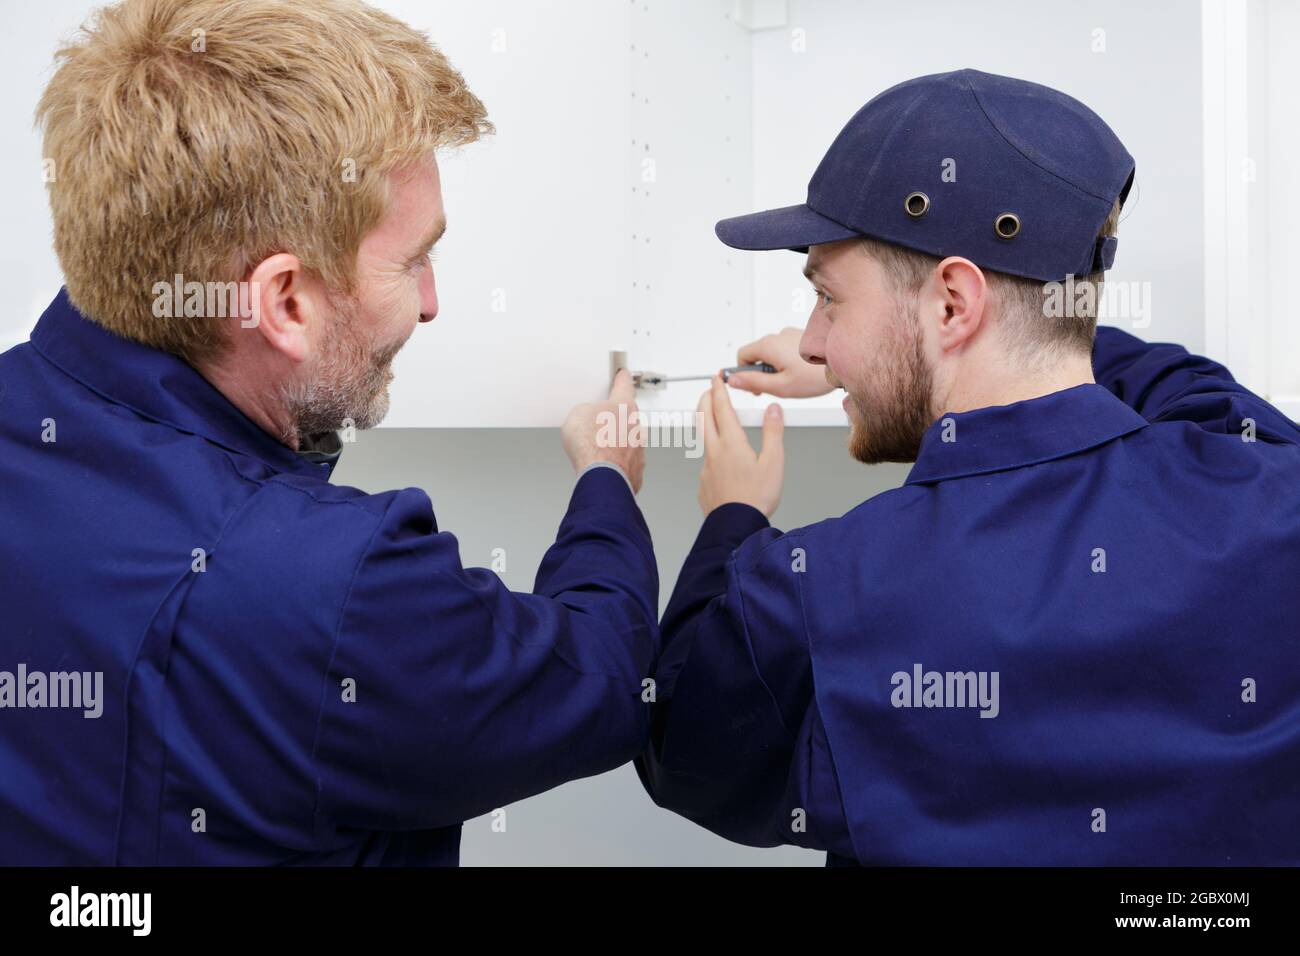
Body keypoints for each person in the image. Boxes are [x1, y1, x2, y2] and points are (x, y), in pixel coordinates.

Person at [0, 0, 654, 865]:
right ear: (284, 303)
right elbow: (600, 682)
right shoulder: (339, 590)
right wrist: (605, 483)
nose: (430, 301)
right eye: (413, 258)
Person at [636, 69, 1300, 865]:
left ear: (954, 303)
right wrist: (914, 349)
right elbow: (1190, 389)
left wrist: (729, 522)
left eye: (829, 299)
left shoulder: (817, 590)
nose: (813, 341)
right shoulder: (1272, 497)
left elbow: (678, 740)